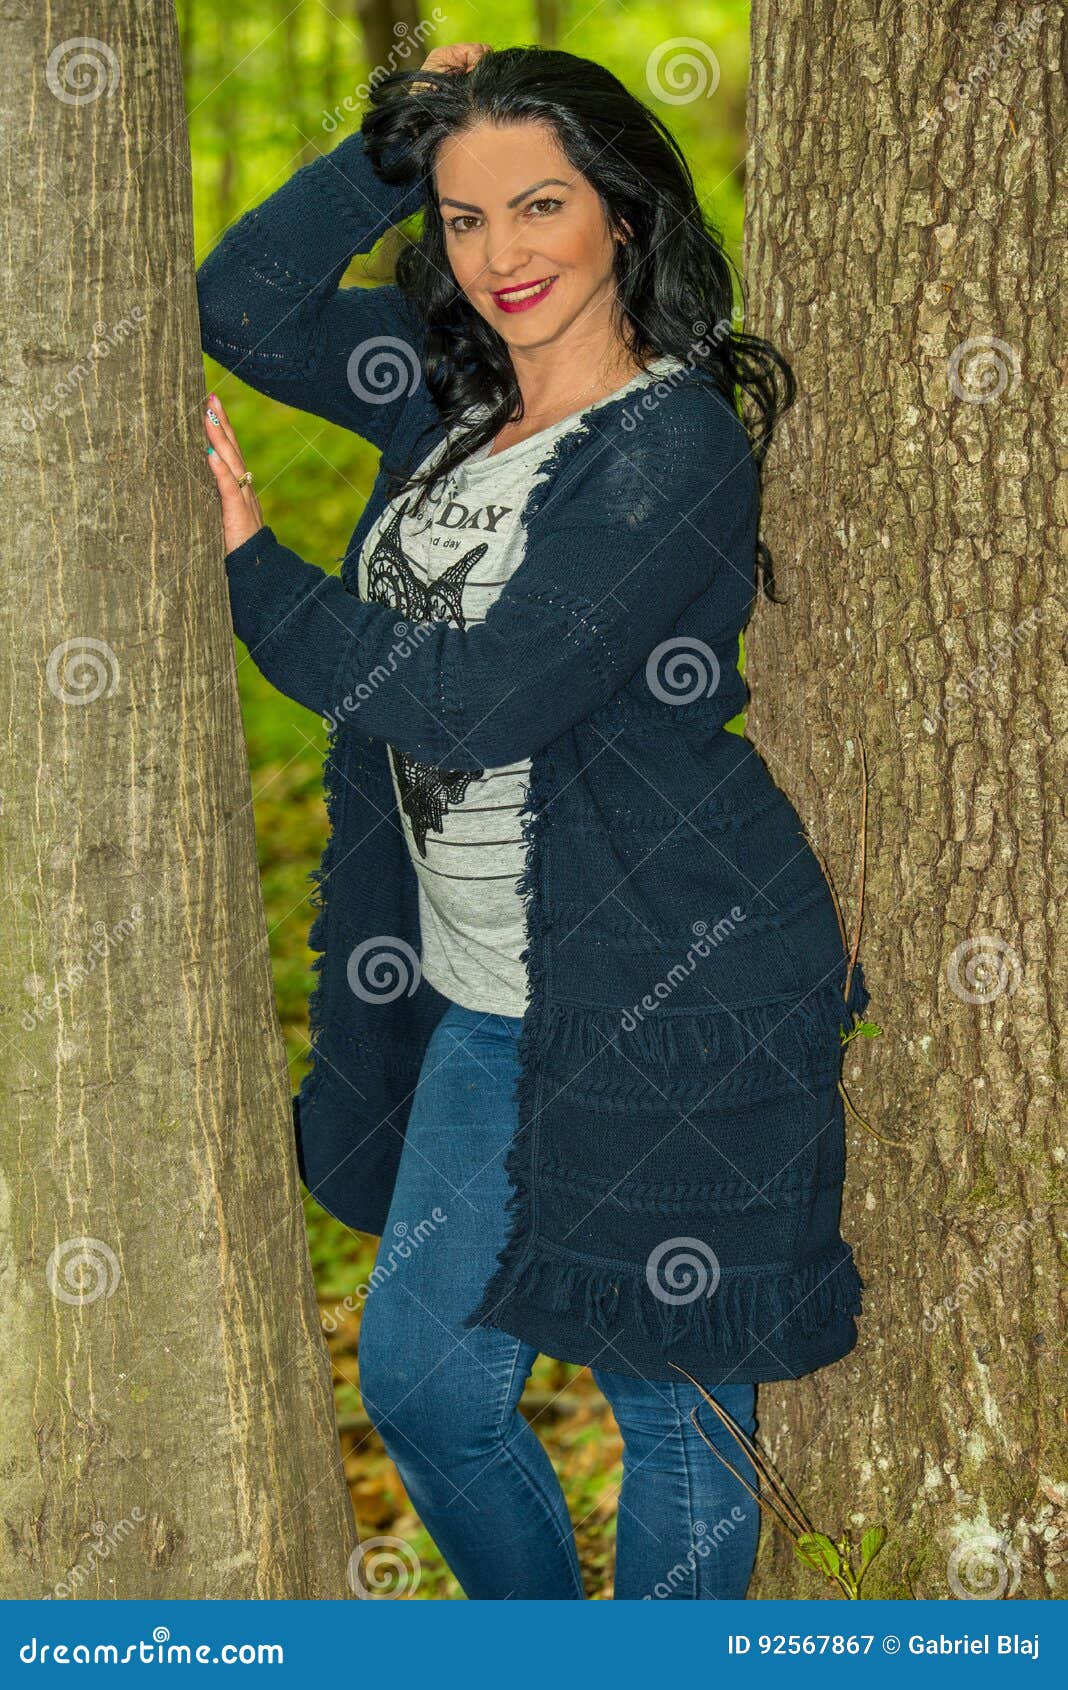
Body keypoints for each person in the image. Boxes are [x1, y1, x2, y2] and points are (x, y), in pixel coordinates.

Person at [196, 42, 870, 1600]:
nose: (499, 256)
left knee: (673, 1397)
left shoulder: (671, 445)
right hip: (483, 1003)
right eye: (461, 218)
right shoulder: (447, 402)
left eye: (540, 206)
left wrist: (255, 565)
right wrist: (395, 139)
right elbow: (239, 306)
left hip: (670, 987)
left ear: (621, 215)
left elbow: (466, 704)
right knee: (428, 1388)